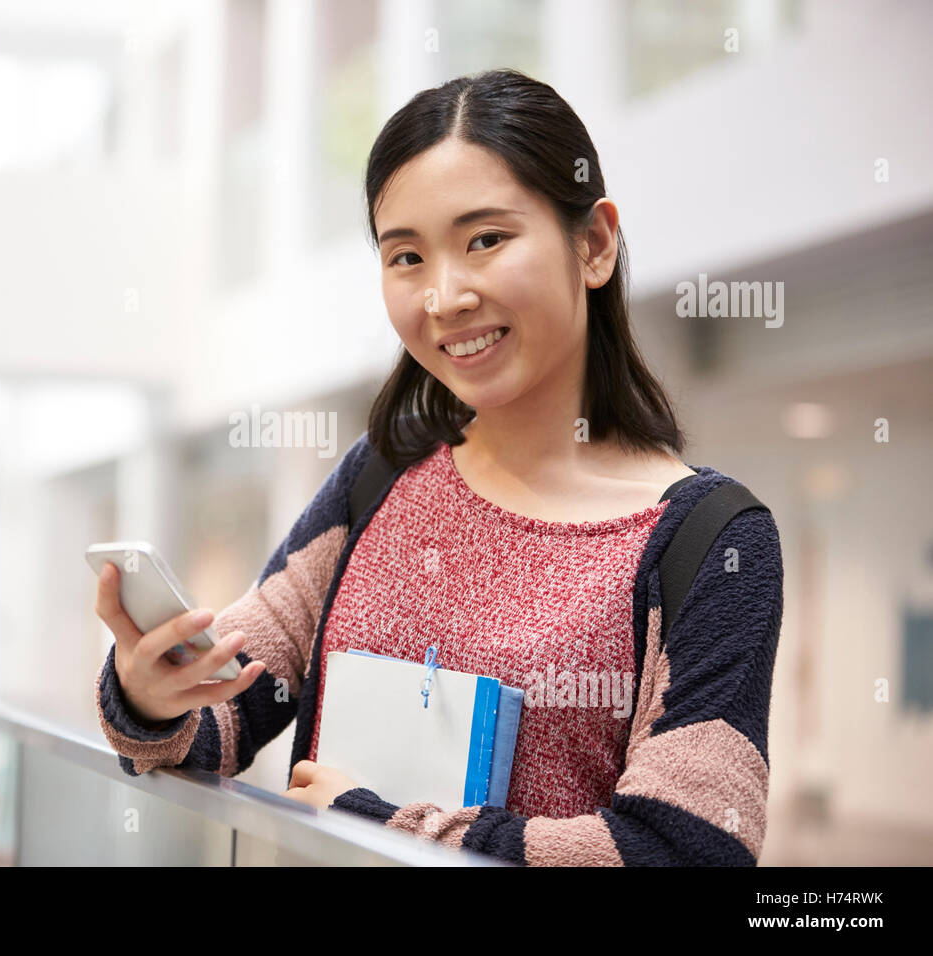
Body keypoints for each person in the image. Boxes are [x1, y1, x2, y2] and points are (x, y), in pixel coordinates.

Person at [93, 68, 783, 866]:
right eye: (407, 256)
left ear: (592, 245)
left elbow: (691, 849)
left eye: (486, 240)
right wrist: (153, 695)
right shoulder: (382, 475)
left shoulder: (710, 541)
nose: (445, 296)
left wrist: (381, 824)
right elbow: (228, 716)